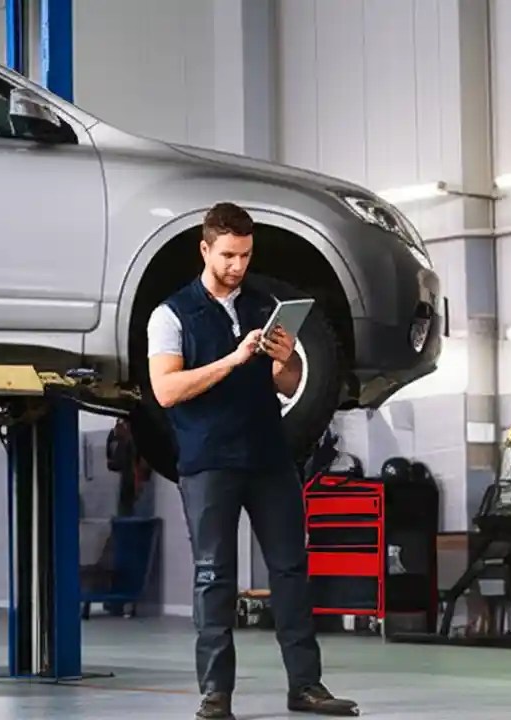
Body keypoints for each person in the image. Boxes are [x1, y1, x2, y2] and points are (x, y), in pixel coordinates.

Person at [146, 202, 360, 719]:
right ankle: (216, 693)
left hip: (268, 457)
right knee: (213, 576)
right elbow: (166, 390)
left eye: (244, 254)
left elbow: (285, 385)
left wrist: (286, 363)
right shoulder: (170, 314)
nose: (237, 265)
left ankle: (306, 687)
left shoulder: (266, 304)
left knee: (291, 569)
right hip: (208, 461)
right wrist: (234, 359)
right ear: (205, 249)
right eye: (227, 255)